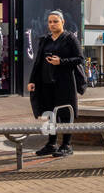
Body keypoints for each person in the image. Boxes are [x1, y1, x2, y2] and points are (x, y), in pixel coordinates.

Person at [27, 10, 84, 158]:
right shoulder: (45, 40)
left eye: (55, 21)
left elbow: (79, 59)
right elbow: (38, 62)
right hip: (46, 83)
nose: (52, 24)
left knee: (65, 114)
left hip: (65, 84)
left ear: (63, 22)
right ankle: (51, 144)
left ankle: (67, 145)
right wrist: (32, 81)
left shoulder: (70, 39)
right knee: (50, 114)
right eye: (50, 22)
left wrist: (61, 62)